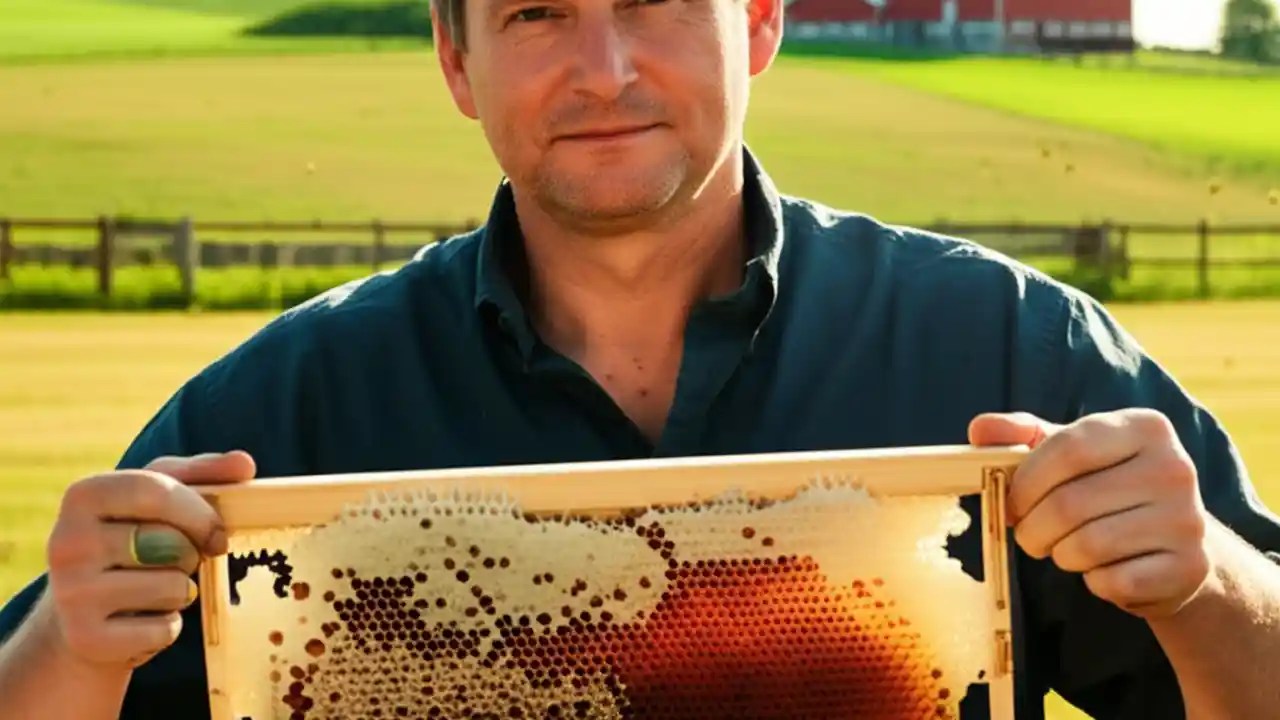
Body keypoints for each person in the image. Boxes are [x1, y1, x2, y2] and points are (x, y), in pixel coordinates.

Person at [2, 0, 1279, 715]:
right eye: (538, 13)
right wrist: (71, 645)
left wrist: (1207, 583)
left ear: (758, 22)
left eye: (650, 3)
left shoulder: (1002, 347)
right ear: (456, 60)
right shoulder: (289, 408)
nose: (603, 71)